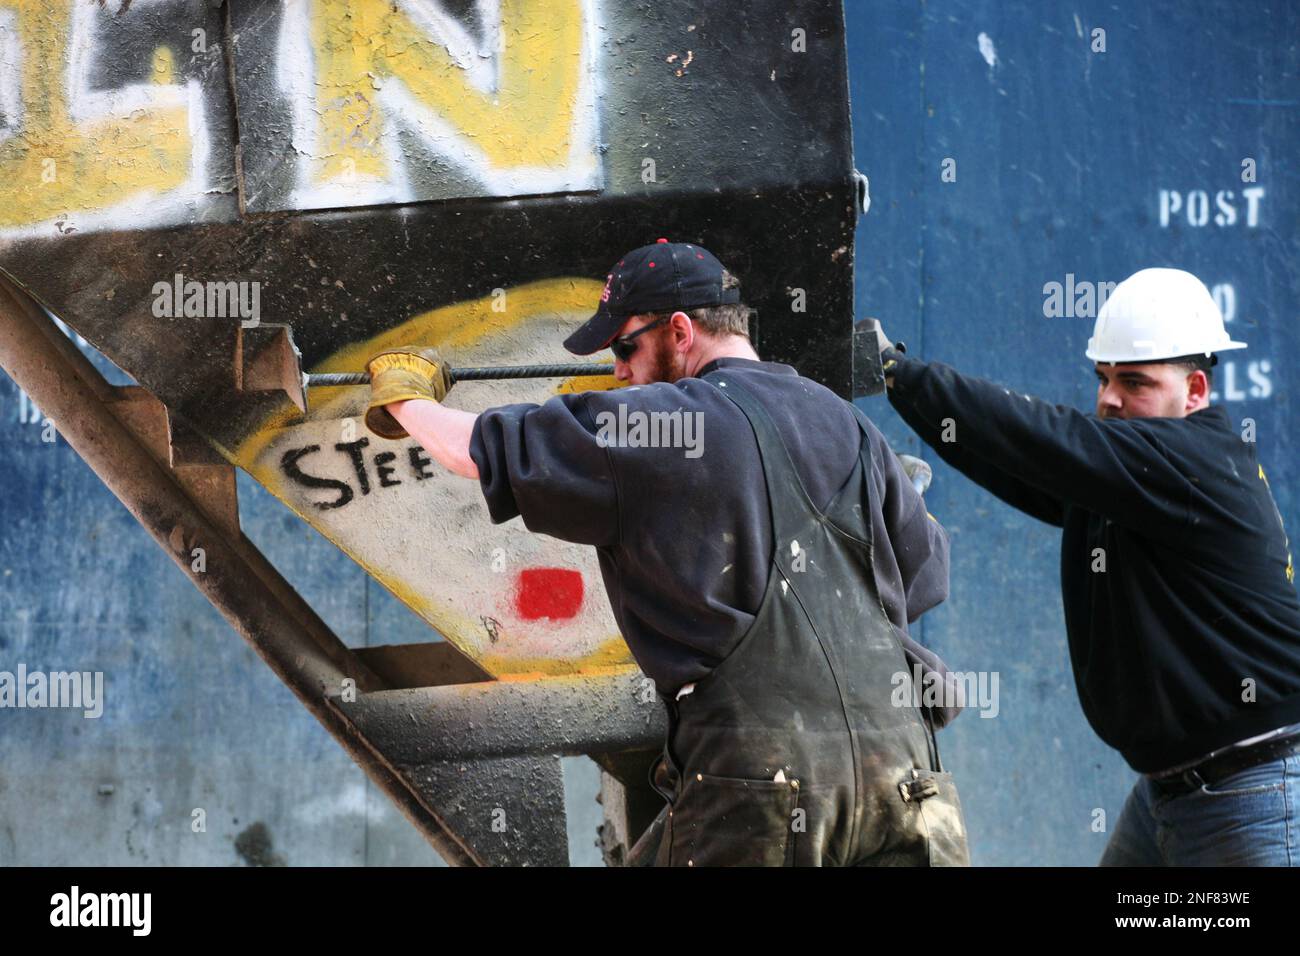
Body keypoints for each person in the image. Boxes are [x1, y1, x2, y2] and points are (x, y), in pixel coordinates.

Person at [363, 238, 969, 866]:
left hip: (764, 788)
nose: (619, 371)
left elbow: (472, 451)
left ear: (679, 331)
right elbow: (926, 575)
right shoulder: (849, 424)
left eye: (625, 348)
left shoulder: (658, 424)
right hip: (906, 781)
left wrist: (406, 397)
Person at [876, 267, 1300, 866]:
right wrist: (902, 390)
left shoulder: (1194, 461)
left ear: (1196, 391)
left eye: (1134, 381)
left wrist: (900, 372)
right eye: (1102, 378)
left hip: (1253, 790)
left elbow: (1048, 438)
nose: (1108, 398)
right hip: (1170, 790)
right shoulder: (1130, 479)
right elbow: (1019, 459)